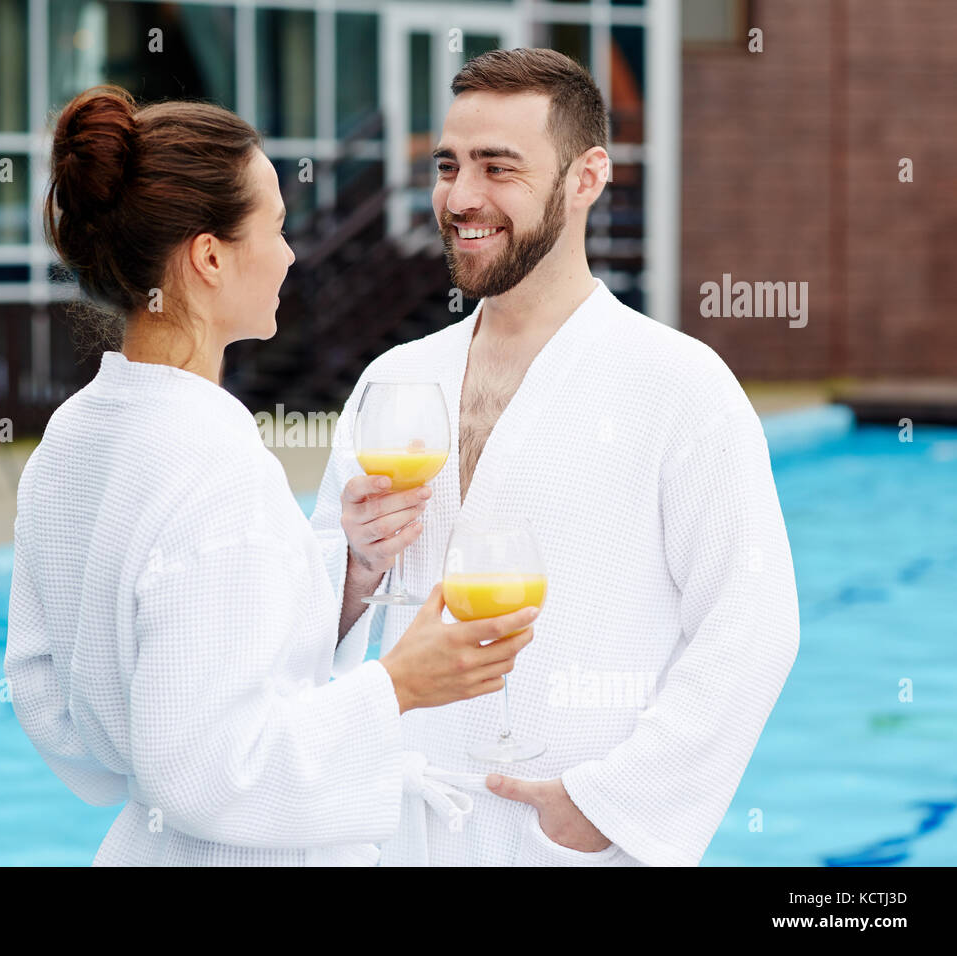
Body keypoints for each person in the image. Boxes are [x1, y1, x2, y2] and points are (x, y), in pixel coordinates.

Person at [3, 85, 539, 866]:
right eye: (277, 228)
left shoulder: (71, 441)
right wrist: (398, 685)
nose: (291, 255)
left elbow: (54, 687)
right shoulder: (214, 465)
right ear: (210, 256)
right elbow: (208, 770)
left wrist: (346, 571)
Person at [312, 48, 800, 866]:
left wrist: (612, 804)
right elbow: (304, 618)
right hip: (401, 835)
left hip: (562, 841)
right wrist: (355, 571)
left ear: (586, 176)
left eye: (498, 168)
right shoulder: (394, 381)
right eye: (449, 165)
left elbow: (753, 624)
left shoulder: (679, 385)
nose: (462, 198)